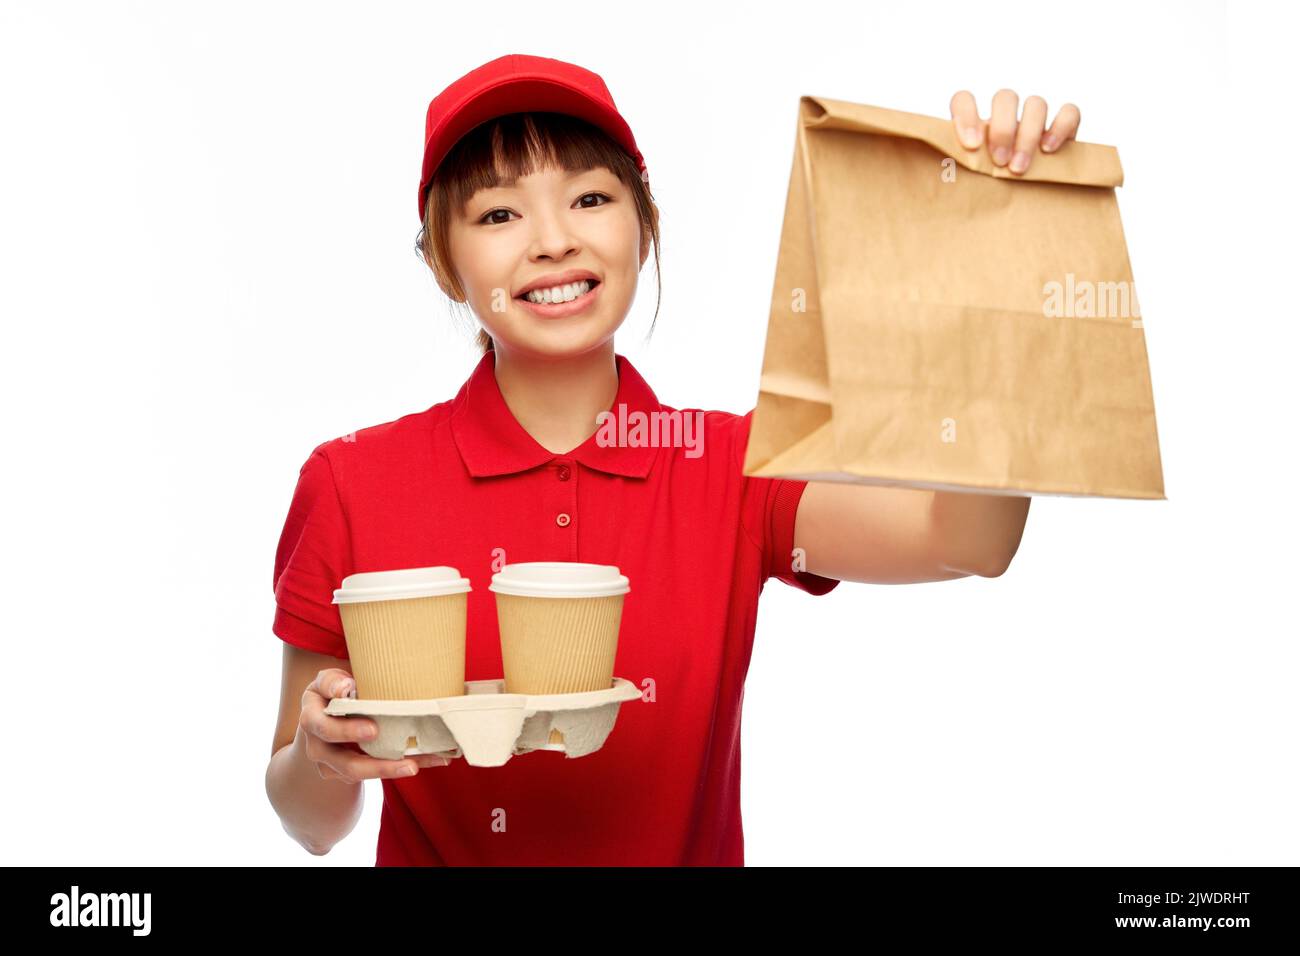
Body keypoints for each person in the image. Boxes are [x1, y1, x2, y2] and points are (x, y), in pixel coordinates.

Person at [265, 54, 1066, 865]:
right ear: (443, 260)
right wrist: (319, 755)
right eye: (499, 215)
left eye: (589, 198)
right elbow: (312, 822)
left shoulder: (731, 467)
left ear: (644, 226)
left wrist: (1002, 273)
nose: (552, 241)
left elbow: (967, 540)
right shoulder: (351, 481)